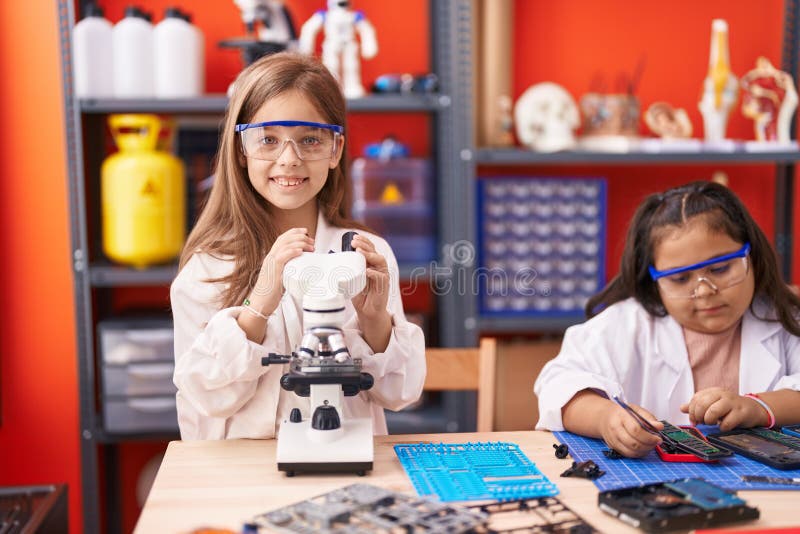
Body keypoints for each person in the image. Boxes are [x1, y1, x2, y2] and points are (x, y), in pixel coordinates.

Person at [170, 51, 425, 440]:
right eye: (268, 140)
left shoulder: (365, 254)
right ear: (241, 149)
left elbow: (400, 393)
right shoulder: (208, 270)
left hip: (345, 456)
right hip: (242, 479)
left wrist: (375, 322)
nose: (289, 159)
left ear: (336, 149)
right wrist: (260, 303)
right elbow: (206, 397)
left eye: (309, 140)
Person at [534, 181, 800, 457]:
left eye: (720, 268)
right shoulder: (625, 324)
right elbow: (558, 386)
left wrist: (759, 408)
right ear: (655, 282)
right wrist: (605, 419)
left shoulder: (786, 319)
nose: (705, 291)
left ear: (751, 257)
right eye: (680, 278)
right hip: (655, 480)